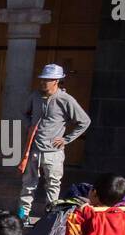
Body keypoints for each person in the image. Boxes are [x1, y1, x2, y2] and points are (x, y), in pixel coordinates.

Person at [18, 64, 90, 220]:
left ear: (56, 81)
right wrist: (29, 125)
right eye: (42, 79)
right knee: (28, 186)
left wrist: (67, 139)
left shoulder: (66, 100)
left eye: (48, 80)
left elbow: (84, 121)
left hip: (53, 153)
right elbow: (24, 113)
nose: (43, 82)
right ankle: (22, 216)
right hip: (34, 150)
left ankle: (50, 219)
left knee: (52, 187)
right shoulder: (35, 96)